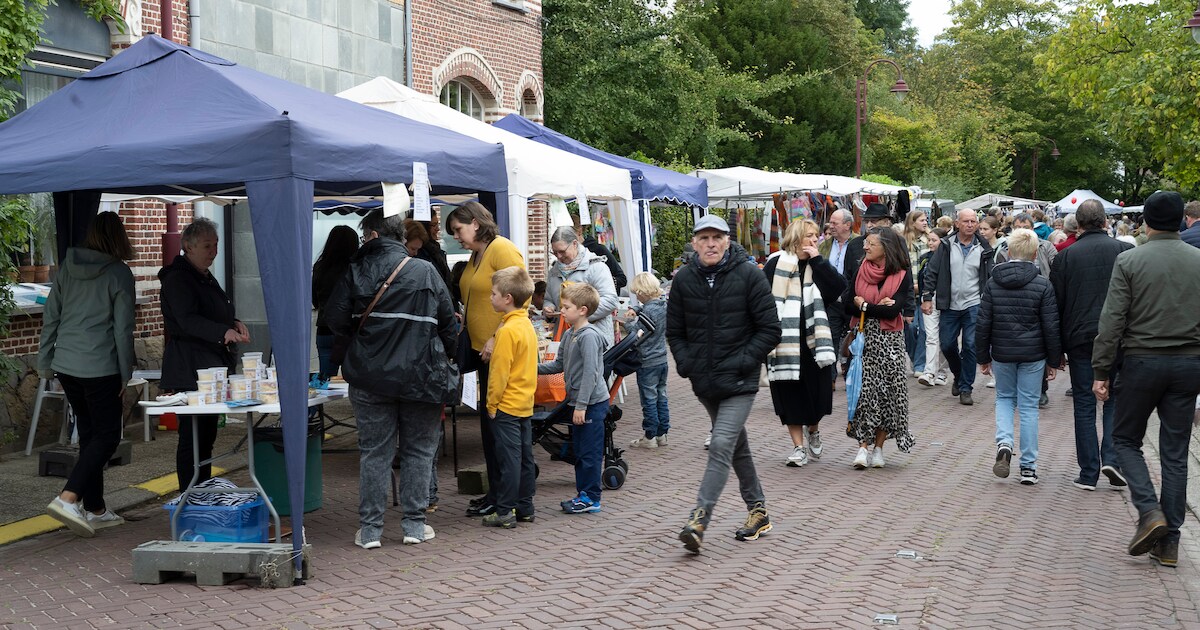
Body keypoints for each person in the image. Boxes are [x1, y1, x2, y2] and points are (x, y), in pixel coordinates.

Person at [326, 209, 457, 548]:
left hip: (370, 376)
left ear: (371, 235)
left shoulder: (356, 269)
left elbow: (334, 319)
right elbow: (449, 324)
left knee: (374, 453)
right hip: (422, 375)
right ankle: (414, 525)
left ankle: (370, 530)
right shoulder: (426, 271)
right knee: (418, 451)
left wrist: (364, 337)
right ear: (401, 237)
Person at [1092, 191, 1200, 568]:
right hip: (1189, 364)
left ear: (1147, 222)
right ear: (1182, 220)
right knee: (1175, 452)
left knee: (1124, 439)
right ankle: (1169, 542)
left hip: (1142, 361)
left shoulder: (1130, 260)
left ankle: (1149, 510)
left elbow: (1112, 321)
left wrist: (1101, 370)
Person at [670, 215, 781, 553]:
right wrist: (689, 365)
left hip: (740, 381)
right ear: (694, 244)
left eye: (717, 237)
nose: (711, 244)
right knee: (735, 445)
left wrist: (744, 362)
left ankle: (699, 518)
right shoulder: (684, 279)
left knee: (720, 444)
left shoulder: (749, 274)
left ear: (728, 240)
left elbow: (770, 329)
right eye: (703, 238)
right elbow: (675, 332)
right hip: (705, 382)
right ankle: (758, 511)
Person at [40, 212, 136, 536]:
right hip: (101, 367)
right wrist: (126, 374)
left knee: (91, 435)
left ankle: (95, 509)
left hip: (67, 365)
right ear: (119, 238)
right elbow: (123, 330)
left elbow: (51, 315)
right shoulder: (120, 274)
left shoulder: (67, 267)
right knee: (107, 436)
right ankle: (68, 497)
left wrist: (44, 361)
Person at [446, 201, 526, 518]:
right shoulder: (477, 253)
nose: (456, 236)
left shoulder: (502, 249)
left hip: (498, 351)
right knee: (488, 427)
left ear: (476, 224)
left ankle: (508, 496)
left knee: (499, 426)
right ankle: (497, 491)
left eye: (458, 229)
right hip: (481, 350)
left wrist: (497, 334)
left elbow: (524, 294)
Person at [159, 218, 249, 492]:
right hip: (190, 366)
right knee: (193, 435)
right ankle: (191, 493)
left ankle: (203, 489)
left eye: (216, 245)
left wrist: (233, 323)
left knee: (207, 434)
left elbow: (212, 310)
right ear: (188, 246)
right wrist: (222, 332)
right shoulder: (178, 278)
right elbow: (187, 320)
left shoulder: (204, 276)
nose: (214, 251)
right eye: (208, 246)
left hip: (210, 364)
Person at [1050, 200, 1132, 492]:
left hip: (1080, 337)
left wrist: (1055, 350)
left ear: (1079, 225)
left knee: (1084, 403)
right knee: (1115, 400)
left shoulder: (1065, 257)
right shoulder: (1126, 252)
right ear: (1105, 222)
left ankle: (1088, 472)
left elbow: (1055, 306)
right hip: (1120, 337)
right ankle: (1112, 458)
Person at [977, 229, 1060, 485]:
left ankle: (1004, 442)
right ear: (1035, 254)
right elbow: (1051, 325)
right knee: (1028, 407)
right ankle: (1028, 466)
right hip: (1033, 354)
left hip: (1002, 351)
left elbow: (983, 322)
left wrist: (982, 356)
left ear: (1009, 252)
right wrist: (1054, 359)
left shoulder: (993, 283)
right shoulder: (1042, 285)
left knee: (1003, 398)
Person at [763, 220, 844, 467]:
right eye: (809, 235)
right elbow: (761, 298)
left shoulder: (818, 264)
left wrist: (818, 261)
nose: (814, 240)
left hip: (813, 341)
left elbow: (839, 288)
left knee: (817, 396)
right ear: (797, 237)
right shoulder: (776, 263)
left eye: (816, 235)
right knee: (789, 395)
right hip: (784, 342)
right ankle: (798, 448)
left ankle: (814, 429)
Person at [537, 283, 611, 514]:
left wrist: (581, 406)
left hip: (590, 404)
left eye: (567, 307)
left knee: (589, 453)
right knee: (580, 451)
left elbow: (591, 373)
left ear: (583, 310)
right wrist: (531, 368)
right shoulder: (570, 334)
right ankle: (584, 494)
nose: (562, 311)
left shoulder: (588, 337)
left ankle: (591, 498)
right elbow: (559, 365)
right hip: (579, 402)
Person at [845, 228, 915, 469]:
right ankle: (863, 447)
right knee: (865, 394)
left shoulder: (902, 274)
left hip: (890, 342)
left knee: (888, 394)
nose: (865, 247)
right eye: (865, 243)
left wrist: (864, 305)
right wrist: (874, 306)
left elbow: (893, 311)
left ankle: (879, 448)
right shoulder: (860, 270)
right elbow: (847, 303)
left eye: (870, 244)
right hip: (865, 340)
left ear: (886, 247)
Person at [482, 266, 539, 528]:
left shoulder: (506, 331)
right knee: (525, 457)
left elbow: (499, 373)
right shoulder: (526, 324)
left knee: (509, 459)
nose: (490, 298)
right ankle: (525, 506)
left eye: (493, 294)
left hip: (506, 404)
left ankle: (505, 510)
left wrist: (491, 403)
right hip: (525, 402)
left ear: (507, 298)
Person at [922, 209, 994, 406]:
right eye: (966, 221)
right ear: (957, 223)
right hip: (949, 303)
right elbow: (932, 273)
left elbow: (989, 277)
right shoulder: (946, 245)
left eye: (973, 221)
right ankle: (958, 373)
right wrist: (927, 297)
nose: (970, 225)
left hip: (974, 303)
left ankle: (966, 388)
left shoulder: (984, 248)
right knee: (947, 344)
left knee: (970, 345)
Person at [544, 226, 618, 339]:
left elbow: (610, 301)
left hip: (594, 337)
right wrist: (549, 308)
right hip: (565, 338)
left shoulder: (596, 267)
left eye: (562, 251)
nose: (559, 257)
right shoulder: (553, 272)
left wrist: (579, 314)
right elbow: (549, 299)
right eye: (555, 252)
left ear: (574, 244)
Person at [626, 272, 671, 449]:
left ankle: (650, 435)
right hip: (662, 359)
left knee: (649, 400)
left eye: (637, 293)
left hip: (647, 361)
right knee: (662, 396)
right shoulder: (662, 306)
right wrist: (636, 309)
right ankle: (662, 433)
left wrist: (628, 322)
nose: (636, 296)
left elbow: (637, 334)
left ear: (643, 292)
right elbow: (646, 311)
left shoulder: (648, 312)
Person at [312, 225, 359, 381]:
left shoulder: (319, 268)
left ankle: (317, 405)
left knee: (325, 378)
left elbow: (314, 300)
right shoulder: (355, 269)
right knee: (354, 378)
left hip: (324, 328)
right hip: (348, 329)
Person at [818, 208, 858, 384]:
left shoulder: (859, 243)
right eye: (830, 223)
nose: (830, 226)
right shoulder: (825, 245)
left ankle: (850, 374)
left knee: (853, 337)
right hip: (831, 300)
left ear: (847, 225)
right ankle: (830, 378)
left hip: (852, 299)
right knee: (830, 337)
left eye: (835, 223)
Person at [917, 228, 949, 387]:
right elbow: (920, 278)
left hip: (946, 299)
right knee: (931, 336)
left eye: (934, 240)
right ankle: (929, 371)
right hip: (928, 298)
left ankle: (942, 372)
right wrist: (923, 297)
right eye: (929, 240)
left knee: (946, 337)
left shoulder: (949, 257)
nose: (930, 243)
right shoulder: (924, 258)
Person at [902, 211, 930, 378]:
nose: (925, 223)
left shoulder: (929, 240)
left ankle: (920, 363)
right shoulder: (904, 243)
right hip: (908, 292)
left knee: (925, 329)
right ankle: (914, 357)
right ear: (912, 223)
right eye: (922, 220)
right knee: (911, 328)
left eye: (926, 220)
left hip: (925, 291)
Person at [572, 212, 627, 291]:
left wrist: (600, 281)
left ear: (579, 231)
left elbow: (622, 279)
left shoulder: (599, 250)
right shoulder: (565, 254)